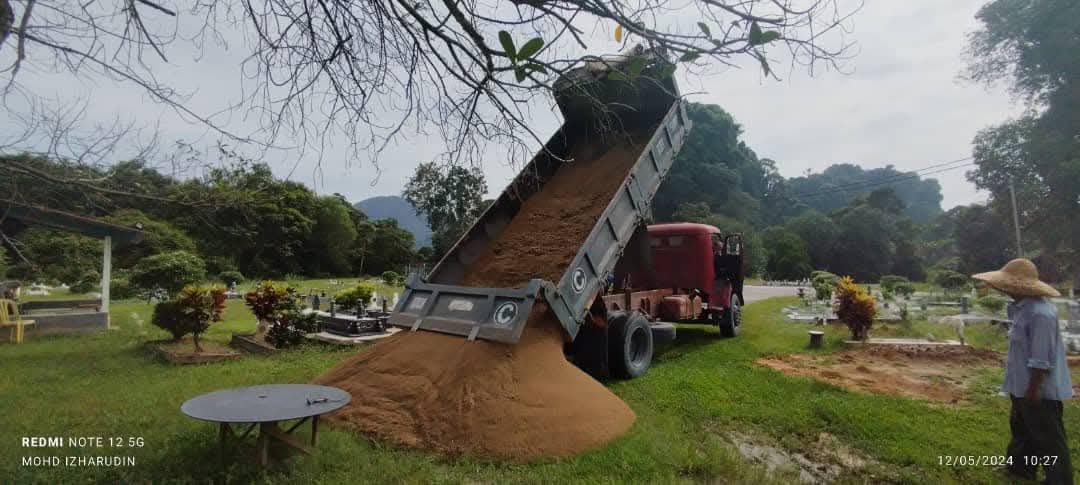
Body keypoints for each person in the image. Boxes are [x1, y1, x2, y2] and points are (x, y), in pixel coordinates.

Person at [973, 258, 1073, 484]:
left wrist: (1034, 388)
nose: (998, 287)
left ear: (1015, 286)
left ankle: (1060, 479)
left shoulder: (1041, 314)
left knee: (1048, 437)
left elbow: (1041, 358)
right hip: (1020, 384)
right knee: (1021, 429)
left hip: (1038, 389)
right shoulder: (1020, 309)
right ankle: (1020, 469)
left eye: (1003, 284)